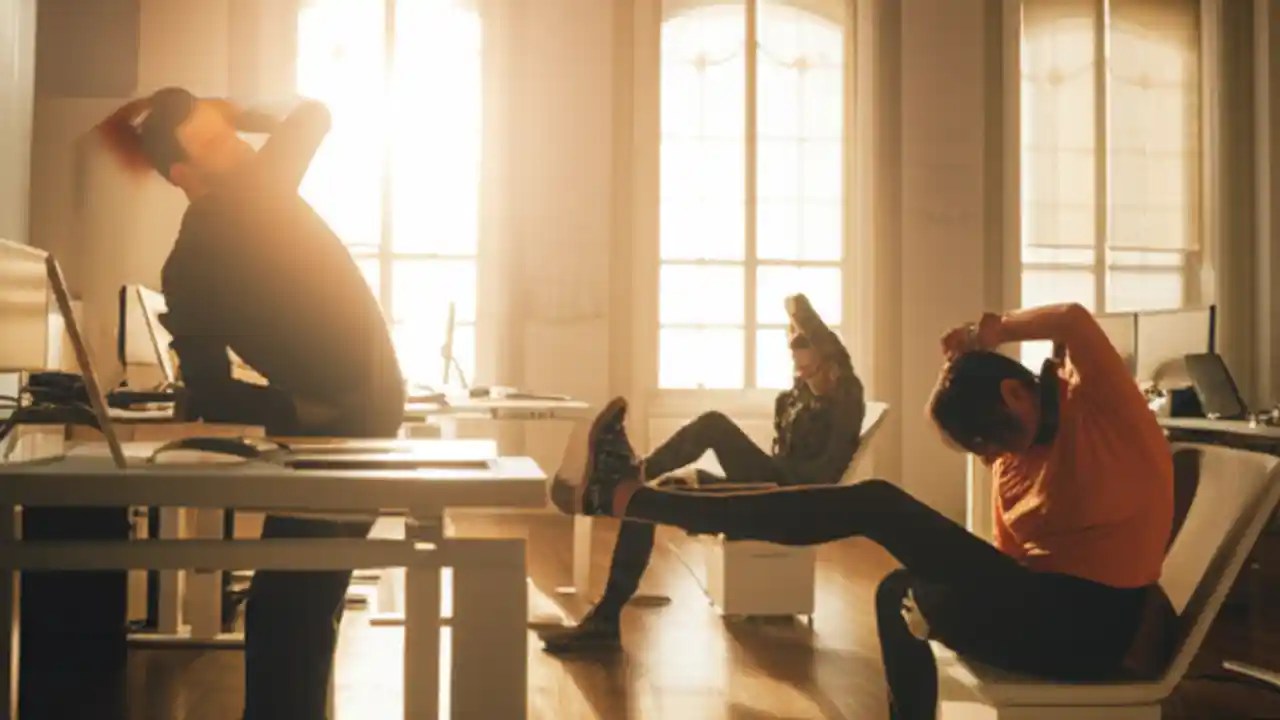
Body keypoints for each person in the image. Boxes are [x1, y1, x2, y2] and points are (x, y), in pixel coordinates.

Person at [548, 303, 1173, 720]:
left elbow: (1072, 319)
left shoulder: (1107, 411)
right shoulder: (1009, 463)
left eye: (989, 439)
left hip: (1092, 628)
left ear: (1017, 391)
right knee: (896, 591)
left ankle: (627, 497)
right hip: (1036, 608)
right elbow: (1008, 565)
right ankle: (626, 499)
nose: (990, 454)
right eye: (979, 445)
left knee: (876, 506)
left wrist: (989, 332)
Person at [97, 87, 405, 720]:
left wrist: (300, 408)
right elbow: (316, 111)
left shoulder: (190, 258)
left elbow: (206, 390)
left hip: (348, 422)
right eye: (215, 142)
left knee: (290, 612)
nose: (237, 145)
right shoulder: (252, 197)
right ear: (185, 175)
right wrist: (243, 111)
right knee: (292, 612)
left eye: (230, 132)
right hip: (351, 419)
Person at [542, 293, 866, 653]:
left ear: (831, 363)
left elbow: (820, 477)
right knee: (648, 497)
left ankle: (623, 476)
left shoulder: (847, 396)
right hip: (768, 488)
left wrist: (796, 310)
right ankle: (606, 615)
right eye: (799, 370)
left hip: (796, 498)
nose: (805, 378)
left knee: (714, 425)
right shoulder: (795, 396)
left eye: (813, 369)